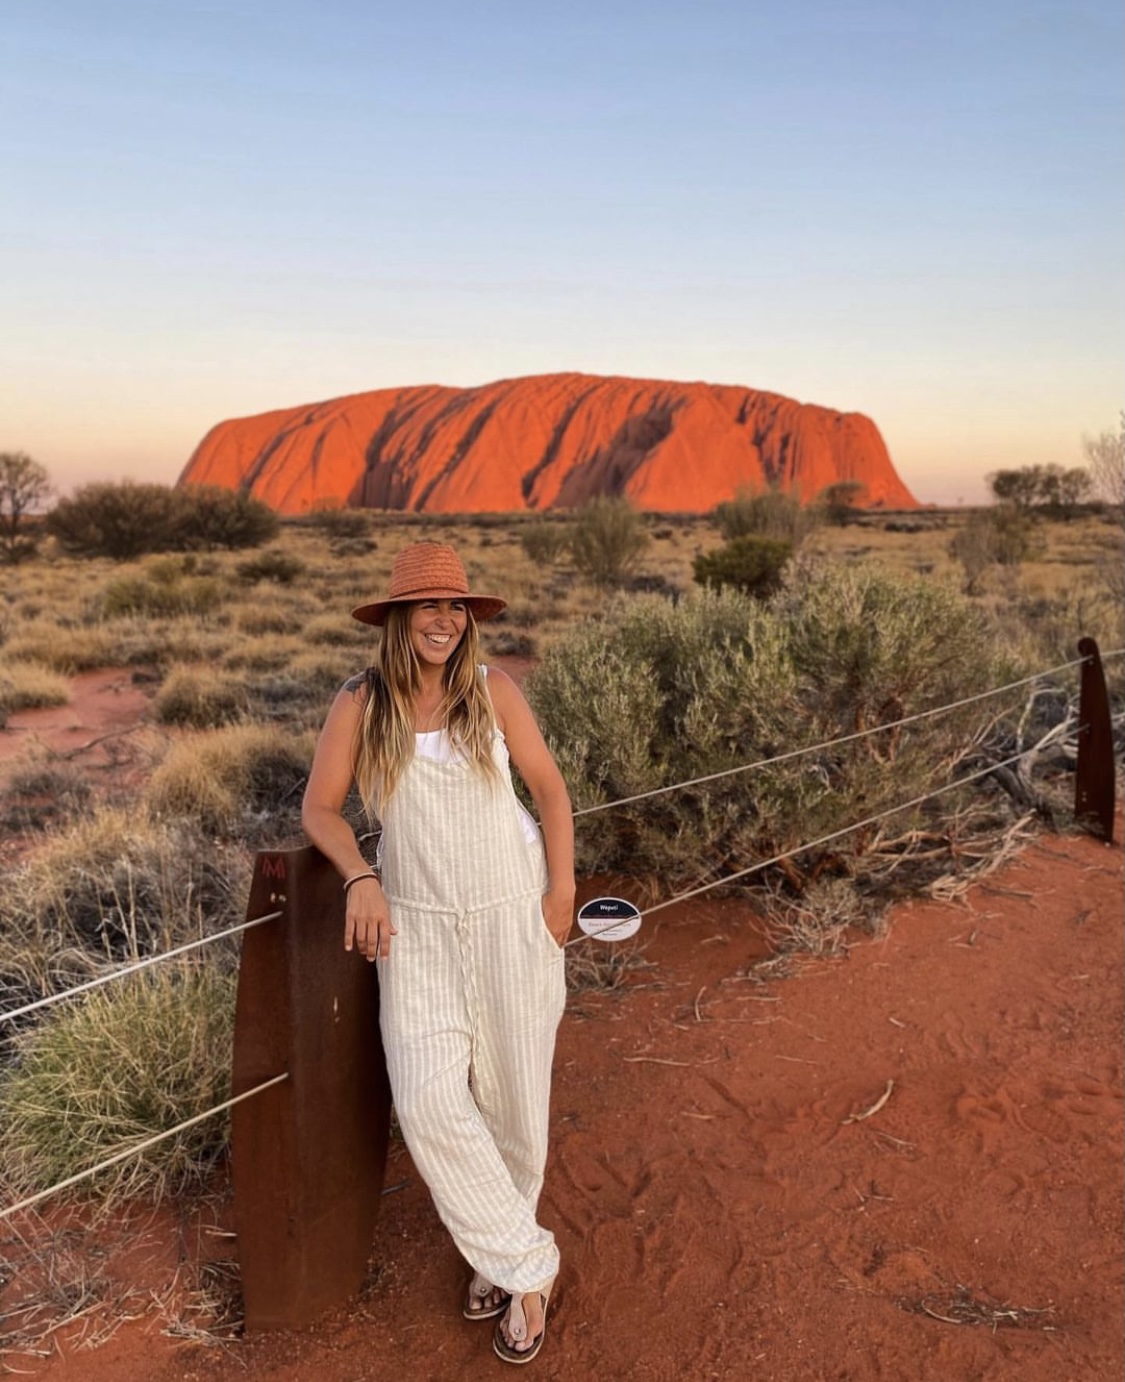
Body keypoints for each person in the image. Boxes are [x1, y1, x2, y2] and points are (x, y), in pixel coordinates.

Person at [301, 541, 574, 1365]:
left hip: (510, 915)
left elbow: (550, 790)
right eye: (427, 606)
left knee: (514, 1105)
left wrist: (559, 892)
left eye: (455, 607)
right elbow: (319, 809)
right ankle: (530, 1265)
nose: (445, 621)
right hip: (414, 929)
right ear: (395, 618)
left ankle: (497, 1256)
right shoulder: (360, 701)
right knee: (426, 1100)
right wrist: (358, 876)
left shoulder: (492, 691)